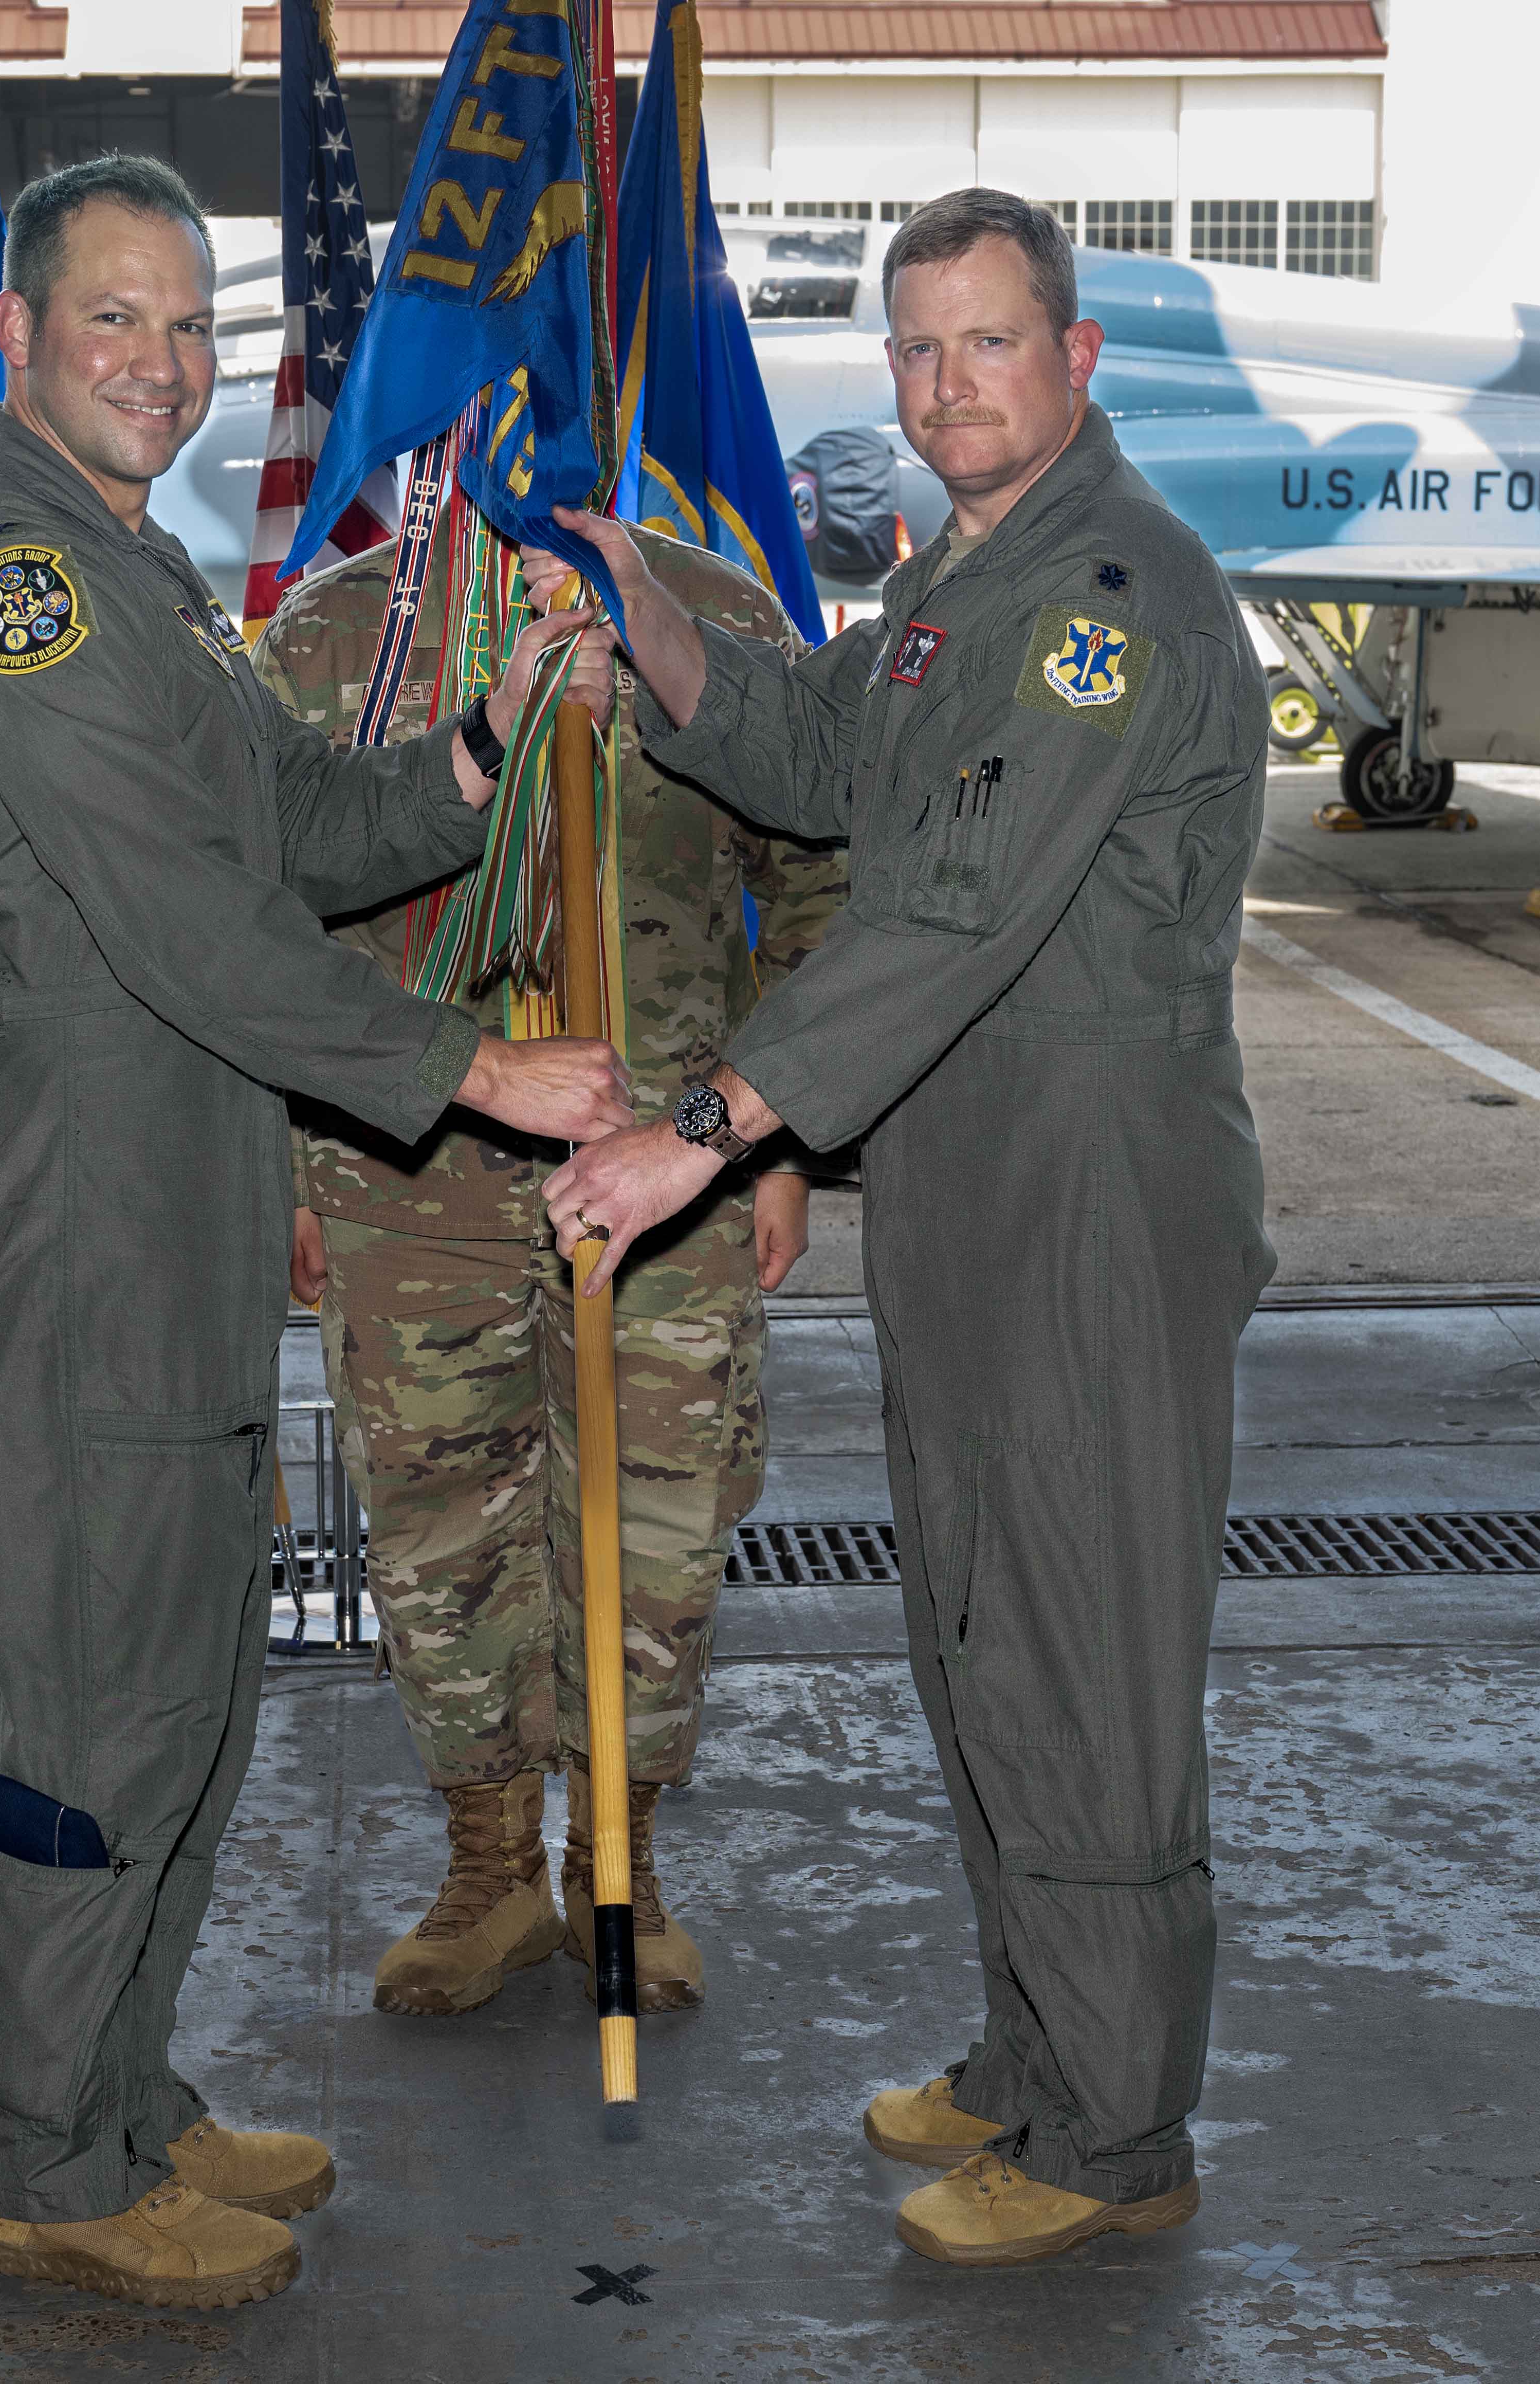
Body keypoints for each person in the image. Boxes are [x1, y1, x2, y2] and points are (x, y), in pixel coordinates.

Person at [0, 155, 627, 2310]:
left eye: (194, 327)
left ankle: (124, 2095)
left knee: (184, 1680)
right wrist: (475, 1069)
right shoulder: (5, 585)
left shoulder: (132, 571)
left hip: (170, 1195)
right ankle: (44, 2160)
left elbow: (288, 818)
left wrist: (482, 740)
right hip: (78, 1208)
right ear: (21, 337)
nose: (167, 364)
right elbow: (192, 925)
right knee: (94, 1700)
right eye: (120, 318)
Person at [537, 187, 1273, 2267]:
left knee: (1087, 1664)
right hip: (967, 1195)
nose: (951, 383)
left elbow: (946, 913)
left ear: (1078, 357)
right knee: (980, 1642)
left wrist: (701, 1127)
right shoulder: (964, 583)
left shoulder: (1107, 595)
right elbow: (828, 753)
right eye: (920, 349)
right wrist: (663, 635)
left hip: (1097, 1214)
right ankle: (1037, 2044)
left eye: (992, 344)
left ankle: (1116, 2128)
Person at [252, 525, 846, 2021]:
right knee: (439, 1532)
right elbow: (253, 914)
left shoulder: (708, 614)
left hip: (665, 1168)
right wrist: (283, 1159)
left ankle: (620, 1872)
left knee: (657, 1528)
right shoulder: (338, 636)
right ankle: (489, 1867)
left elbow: (822, 879)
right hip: (405, 1172)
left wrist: (779, 1142)